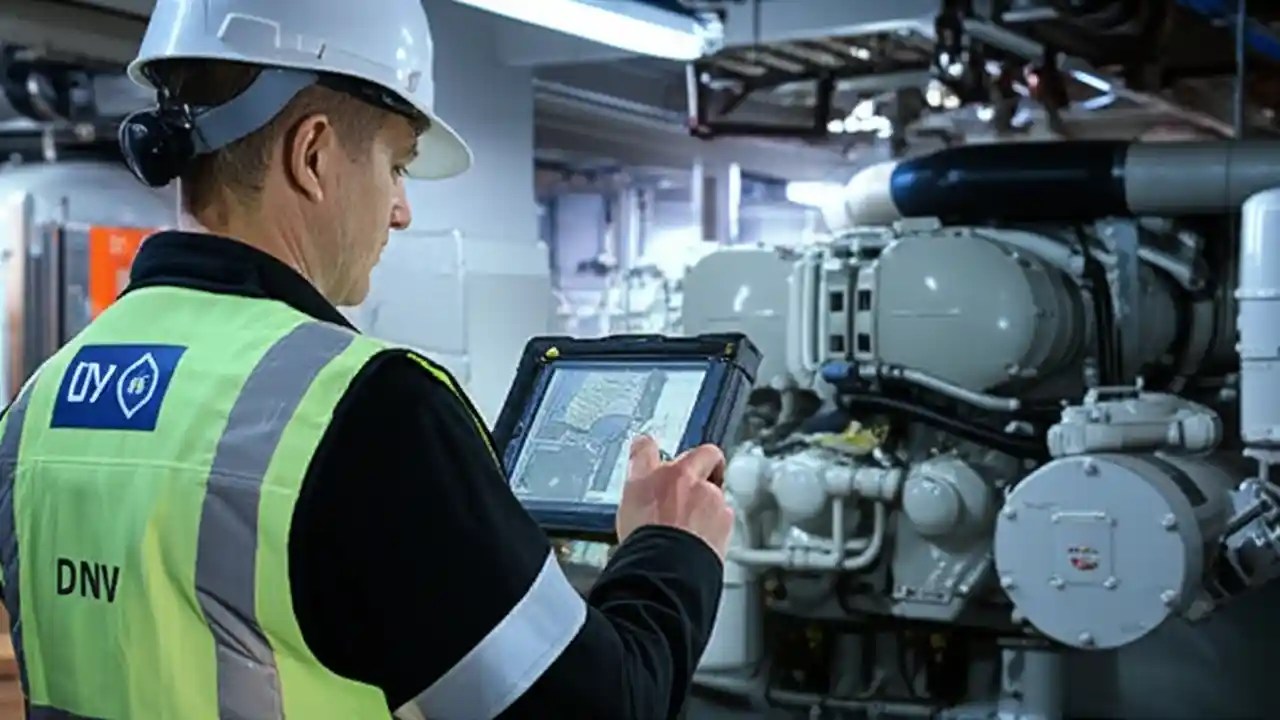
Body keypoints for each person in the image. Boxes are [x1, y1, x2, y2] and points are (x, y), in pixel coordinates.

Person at [0, 1, 735, 718]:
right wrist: (670, 547)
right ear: (312, 153)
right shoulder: (365, 410)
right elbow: (606, 706)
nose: (401, 208)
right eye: (397, 164)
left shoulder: (37, 405)